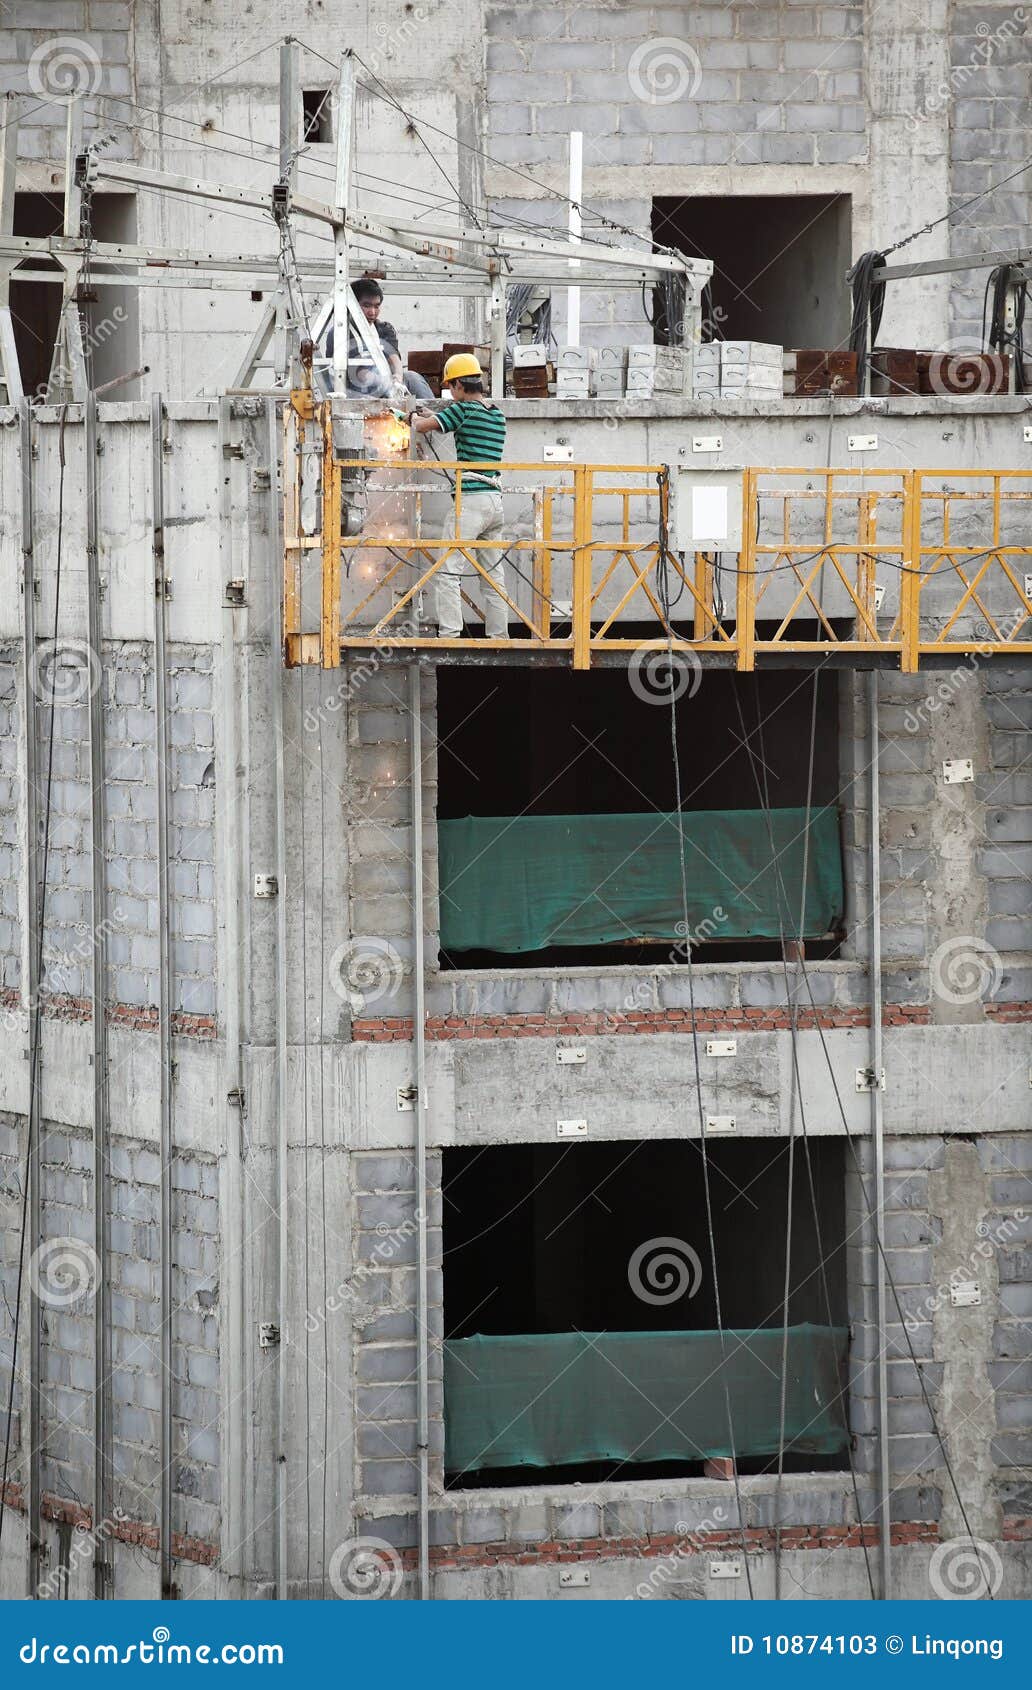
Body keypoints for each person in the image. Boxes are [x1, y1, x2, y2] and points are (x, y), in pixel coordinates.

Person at [409, 353, 508, 638]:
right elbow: (451, 421)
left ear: (459, 385)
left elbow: (420, 426)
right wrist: (437, 417)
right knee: (493, 576)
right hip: (494, 499)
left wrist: (410, 416)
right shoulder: (496, 414)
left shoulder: (462, 411)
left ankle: (450, 633)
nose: (451, 393)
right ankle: (499, 636)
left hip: (471, 502)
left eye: (451, 387)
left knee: (448, 570)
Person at [325, 278, 434, 399]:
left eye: (377, 306)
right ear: (352, 304)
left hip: (384, 383)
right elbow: (359, 373)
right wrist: (387, 384)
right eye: (366, 306)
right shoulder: (340, 332)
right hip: (356, 390)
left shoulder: (383, 328)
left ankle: (432, 415)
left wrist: (397, 379)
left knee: (412, 377)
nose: (372, 312)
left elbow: (394, 358)